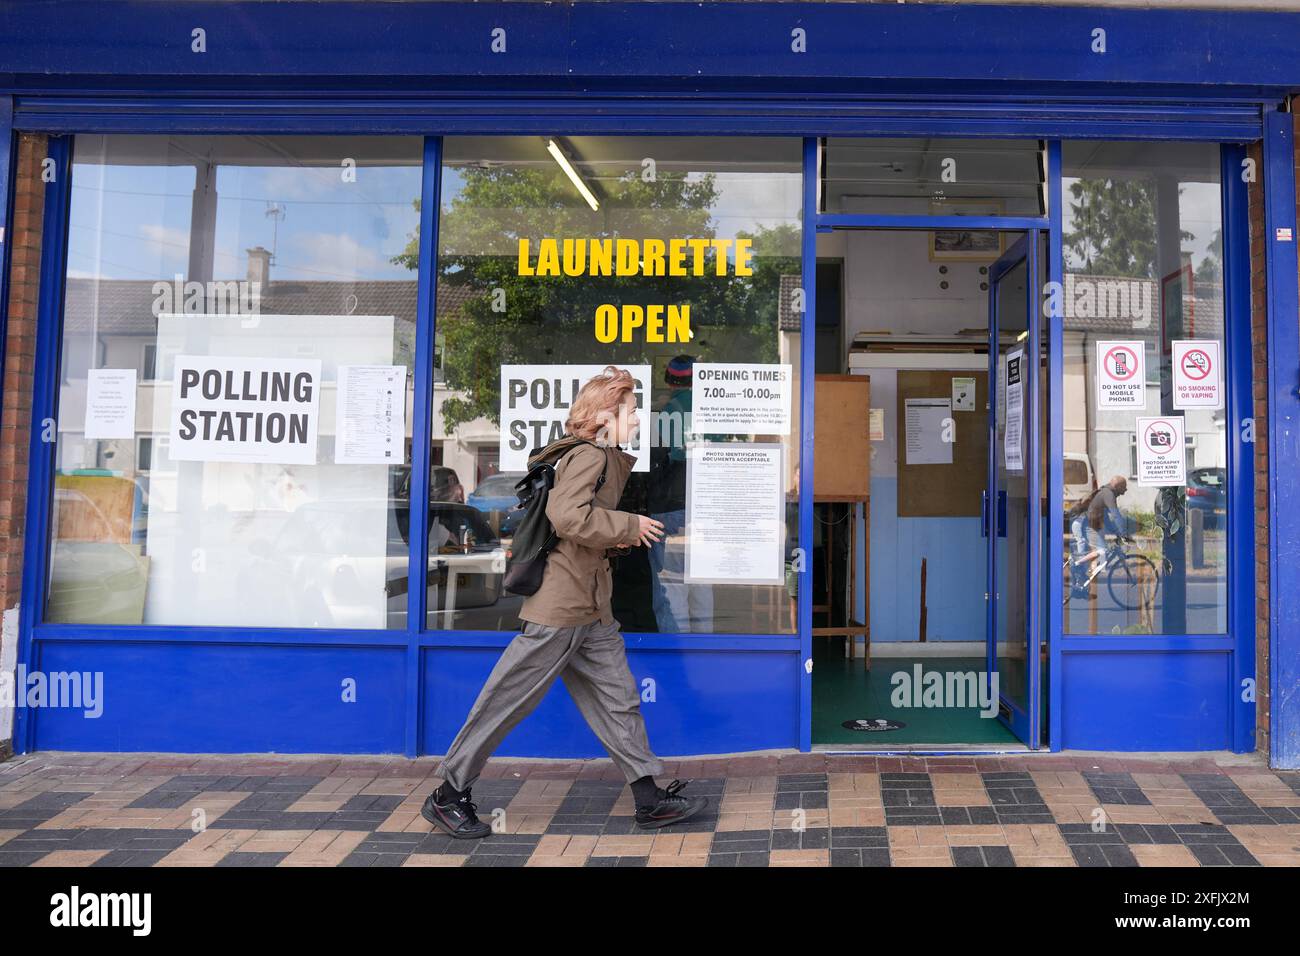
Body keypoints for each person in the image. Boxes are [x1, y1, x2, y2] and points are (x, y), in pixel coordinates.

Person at [422, 366, 710, 839]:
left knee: (619, 701)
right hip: (559, 608)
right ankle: (448, 795)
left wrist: (619, 535)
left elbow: (577, 526)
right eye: (632, 411)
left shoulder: (601, 456)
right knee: (506, 701)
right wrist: (627, 526)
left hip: (592, 607)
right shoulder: (590, 456)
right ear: (603, 418)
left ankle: (648, 797)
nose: (638, 420)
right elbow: (568, 517)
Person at [646, 354, 715, 632]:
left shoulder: (664, 412)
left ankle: (677, 648)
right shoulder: (712, 410)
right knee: (702, 583)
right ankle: (705, 646)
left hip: (668, 505)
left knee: (671, 586)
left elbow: (650, 457)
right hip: (704, 504)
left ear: (668, 381)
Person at [1068, 475, 1130, 596]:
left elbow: (1106, 518)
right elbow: (1115, 514)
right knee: (1102, 551)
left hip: (1090, 524)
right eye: (1124, 487)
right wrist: (1123, 533)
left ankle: (1080, 583)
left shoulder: (1106, 492)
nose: (1125, 490)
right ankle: (1076, 564)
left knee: (1096, 551)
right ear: (1117, 486)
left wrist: (1117, 532)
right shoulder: (1108, 494)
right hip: (1087, 525)